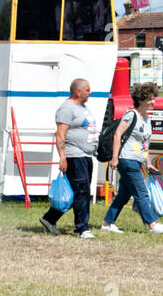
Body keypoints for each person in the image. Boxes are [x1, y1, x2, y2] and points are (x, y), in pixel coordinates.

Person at [102, 81, 163, 235]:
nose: (153, 101)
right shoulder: (131, 115)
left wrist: (148, 163)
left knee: (124, 194)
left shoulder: (147, 119)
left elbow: (144, 145)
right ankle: (152, 224)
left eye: (153, 98)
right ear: (141, 99)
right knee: (141, 193)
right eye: (149, 98)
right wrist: (114, 158)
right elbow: (118, 134)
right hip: (126, 159)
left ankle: (107, 223)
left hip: (137, 161)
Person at [40, 79, 97, 237]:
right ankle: (82, 228)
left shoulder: (83, 107)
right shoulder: (66, 108)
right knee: (82, 191)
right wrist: (63, 157)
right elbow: (60, 134)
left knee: (75, 193)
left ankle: (49, 218)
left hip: (85, 156)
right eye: (87, 90)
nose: (89, 92)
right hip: (74, 155)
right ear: (78, 92)